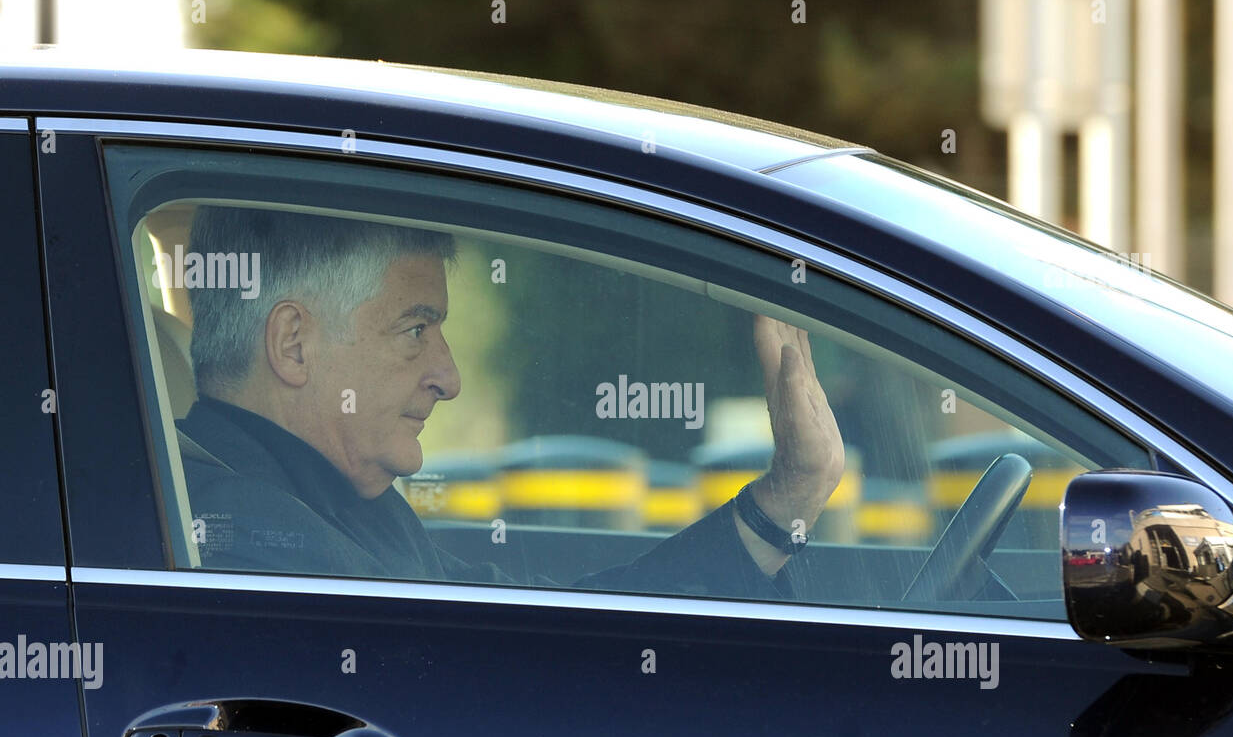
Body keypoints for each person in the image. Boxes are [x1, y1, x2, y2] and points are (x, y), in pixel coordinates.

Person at [177, 206, 844, 600]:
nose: (449, 375)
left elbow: (541, 623)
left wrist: (778, 506)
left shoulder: (319, 502)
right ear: (294, 345)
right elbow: (527, 672)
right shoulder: (254, 542)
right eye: (416, 329)